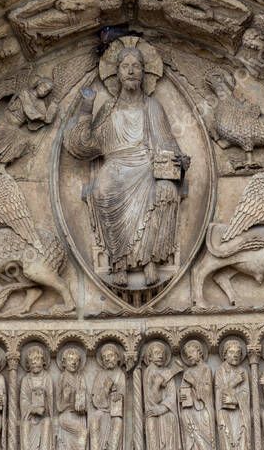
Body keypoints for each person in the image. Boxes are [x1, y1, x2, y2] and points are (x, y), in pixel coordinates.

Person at [65, 37, 186, 287]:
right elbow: (85, 145)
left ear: (144, 72)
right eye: (125, 66)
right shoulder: (109, 108)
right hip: (116, 166)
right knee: (102, 190)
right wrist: (86, 108)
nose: (131, 71)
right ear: (117, 73)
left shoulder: (152, 106)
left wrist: (179, 160)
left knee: (165, 189)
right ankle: (118, 262)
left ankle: (150, 260)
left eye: (136, 66)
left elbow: (167, 143)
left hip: (146, 165)